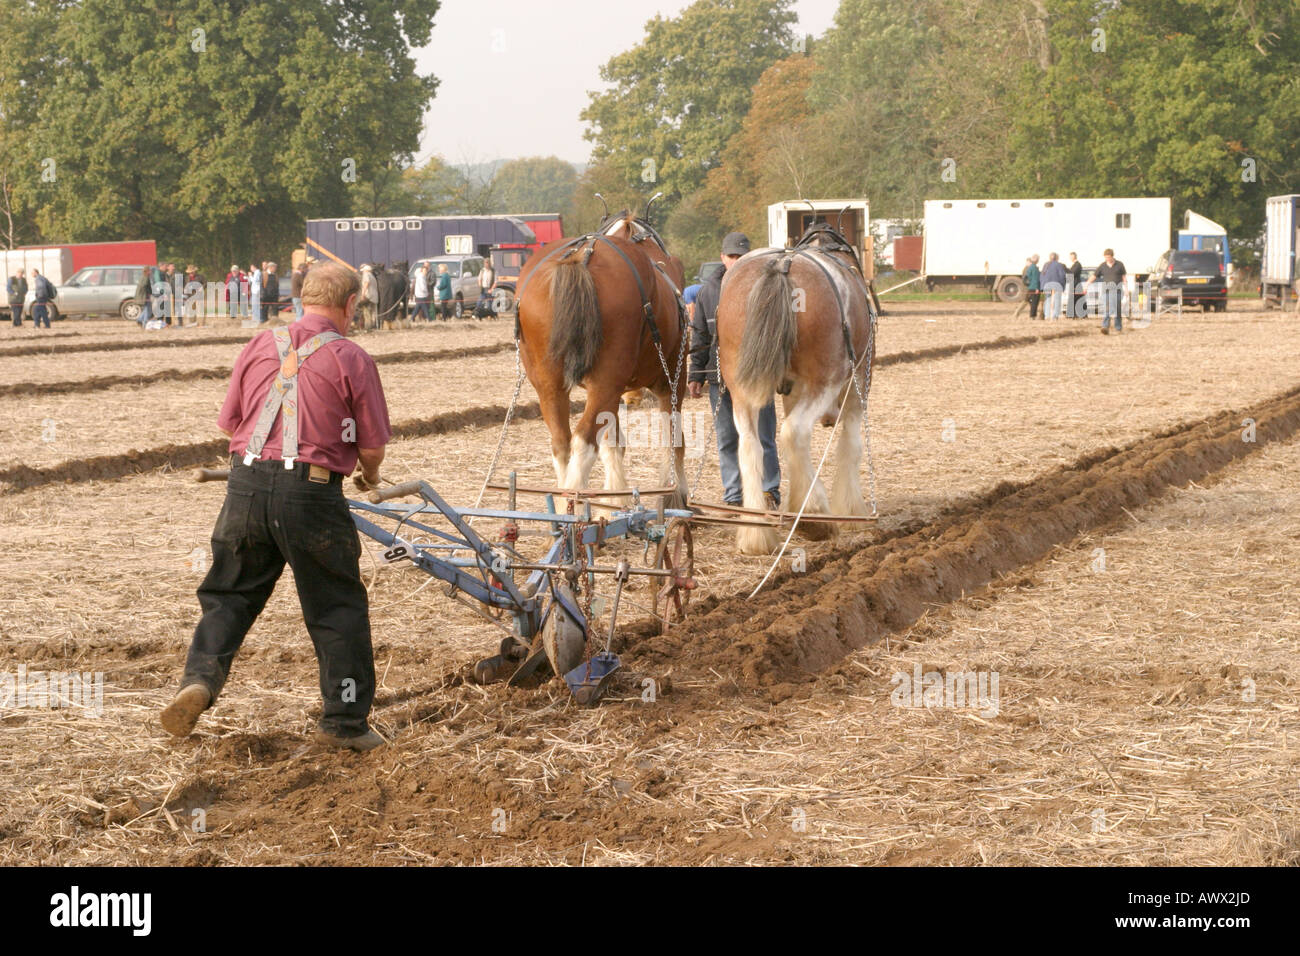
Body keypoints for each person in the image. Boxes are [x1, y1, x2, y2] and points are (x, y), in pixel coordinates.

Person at [159, 263, 392, 751]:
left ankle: (197, 682)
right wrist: (368, 475)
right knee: (336, 608)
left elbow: (230, 425)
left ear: (301, 299)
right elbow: (370, 446)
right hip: (311, 493)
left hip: (244, 486)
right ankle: (344, 726)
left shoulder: (260, 344)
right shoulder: (352, 356)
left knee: (229, 596)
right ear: (350, 304)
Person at [688, 232, 781, 509]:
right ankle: (733, 495)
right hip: (719, 378)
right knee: (727, 438)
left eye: (742, 256)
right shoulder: (708, 290)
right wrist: (696, 374)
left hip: (757, 377)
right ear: (722, 258)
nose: (737, 261)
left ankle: (769, 490)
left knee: (763, 436)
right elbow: (700, 335)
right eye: (732, 256)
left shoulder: (765, 287)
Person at [1089, 247, 1127, 334]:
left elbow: (1124, 277)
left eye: (1108, 257)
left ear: (1112, 256)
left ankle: (1118, 328)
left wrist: (1126, 289)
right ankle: (1105, 326)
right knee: (1107, 309)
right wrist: (1087, 284)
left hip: (1117, 291)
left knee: (1117, 310)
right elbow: (1094, 276)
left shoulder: (1120, 265)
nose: (1107, 259)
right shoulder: (1102, 266)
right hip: (1106, 291)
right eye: (1105, 257)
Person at [1041, 252, 1067, 321]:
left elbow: (1042, 276)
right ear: (1057, 258)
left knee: (1048, 300)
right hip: (1057, 284)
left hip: (1046, 285)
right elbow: (1062, 276)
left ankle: (1047, 315)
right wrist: (1063, 286)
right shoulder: (1059, 265)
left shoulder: (1046, 265)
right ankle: (1055, 316)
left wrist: (1042, 286)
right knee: (1057, 300)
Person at [1067, 252, 1085, 319]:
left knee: (1077, 299)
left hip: (1076, 284)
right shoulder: (1074, 264)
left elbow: (1072, 273)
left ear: (1074, 257)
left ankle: (1078, 314)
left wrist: (1066, 270)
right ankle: (1072, 314)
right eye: (1070, 257)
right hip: (1073, 284)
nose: (1070, 258)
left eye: (1071, 257)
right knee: (1074, 299)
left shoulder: (1077, 265)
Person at [1023, 254, 1042, 319]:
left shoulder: (1029, 267)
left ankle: (1032, 315)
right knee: (1034, 302)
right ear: (1037, 260)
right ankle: (1033, 315)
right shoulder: (1035, 268)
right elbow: (1036, 279)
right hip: (1034, 287)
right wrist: (1037, 288)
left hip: (1030, 287)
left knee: (1030, 301)